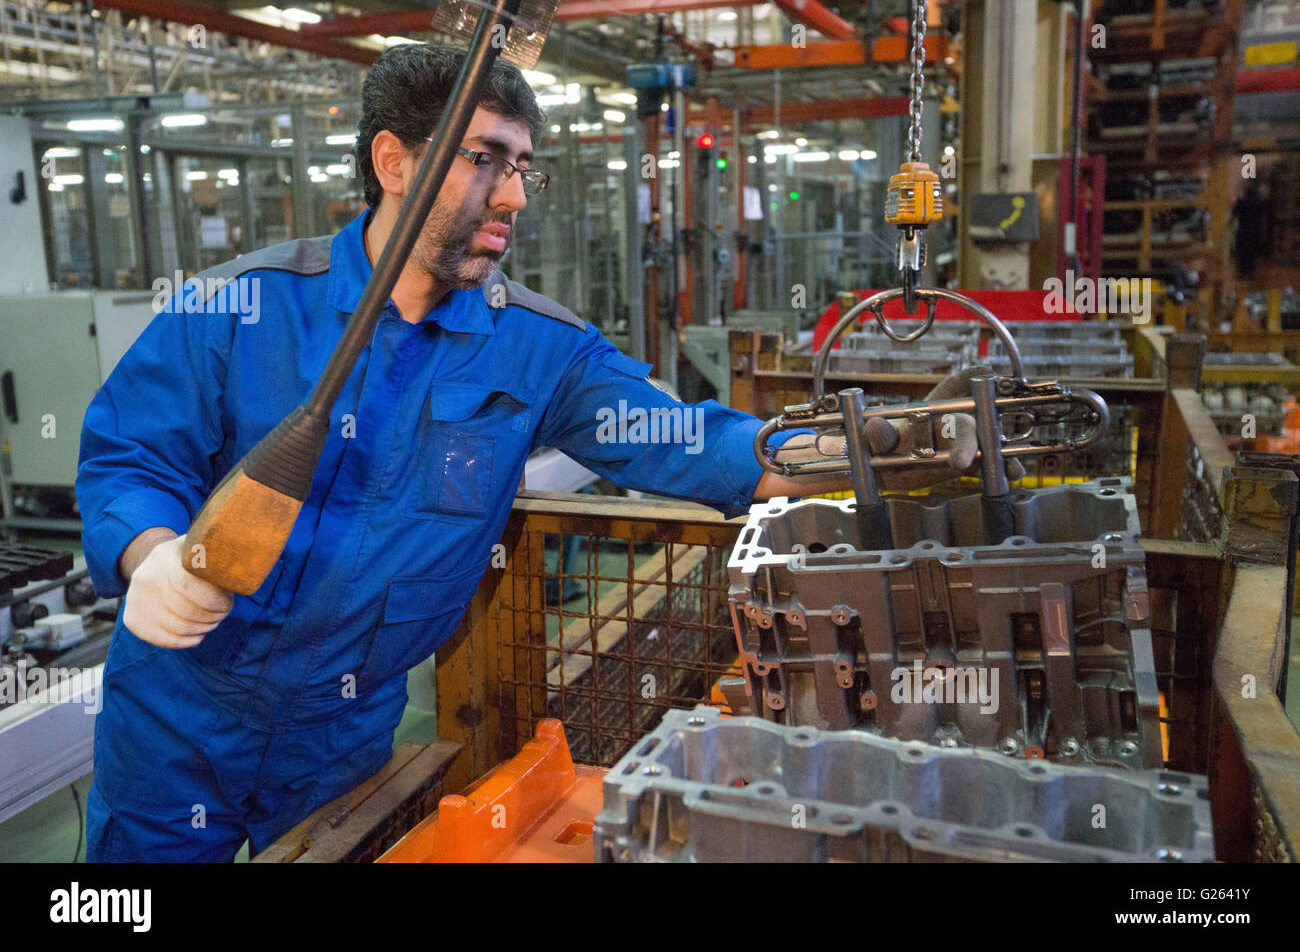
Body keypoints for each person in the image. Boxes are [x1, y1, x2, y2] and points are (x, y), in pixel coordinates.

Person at [76, 44, 992, 861]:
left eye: (523, 169)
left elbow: (695, 444)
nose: (513, 196)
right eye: (486, 161)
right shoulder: (241, 309)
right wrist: (148, 556)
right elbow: (129, 457)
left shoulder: (537, 349)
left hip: (341, 731)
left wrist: (882, 446)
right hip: (180, 715)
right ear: (392, 161)